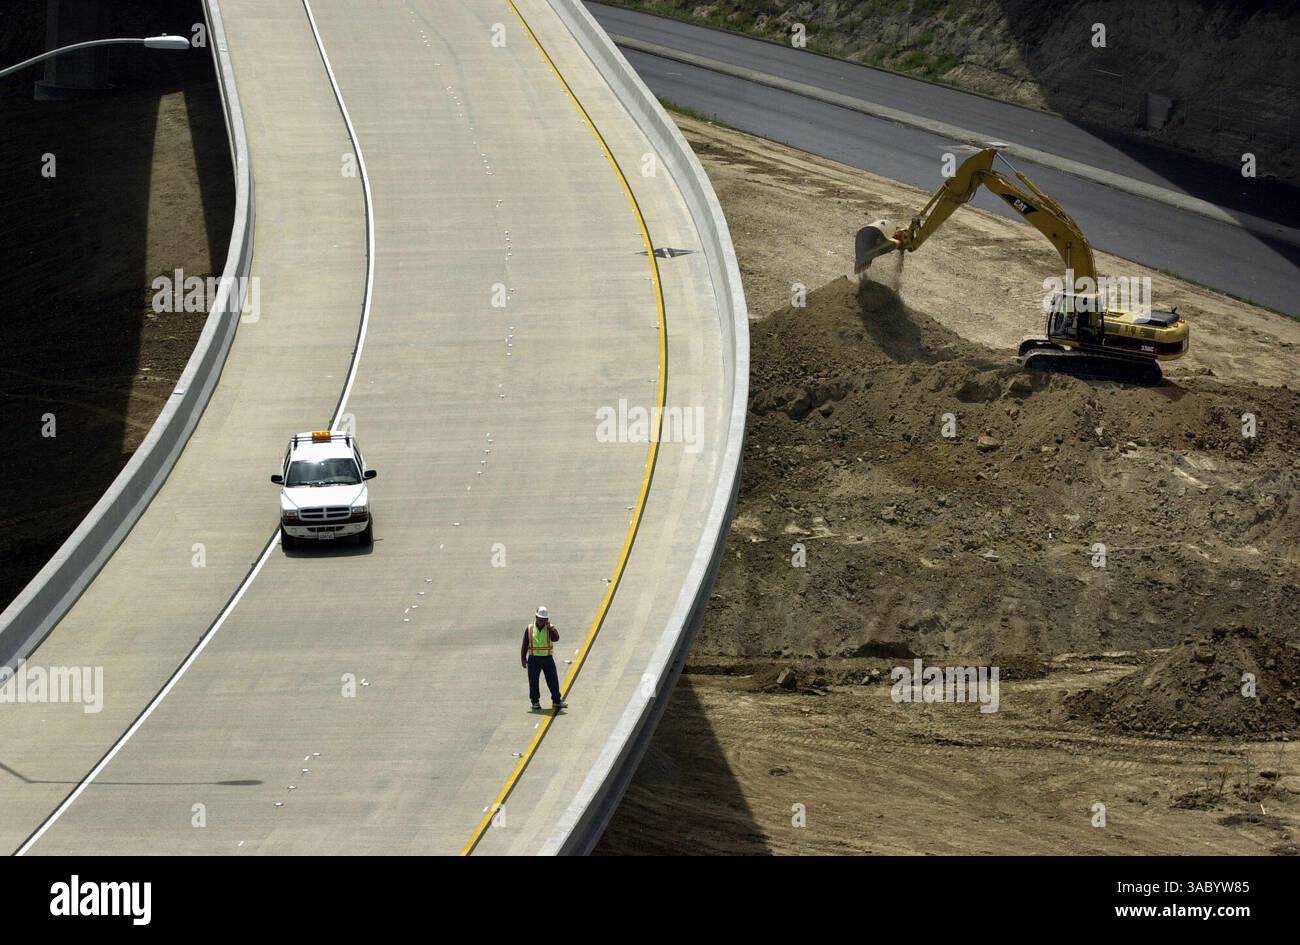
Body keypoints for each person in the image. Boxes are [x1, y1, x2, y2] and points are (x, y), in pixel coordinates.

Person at [521, 605, 566, 712]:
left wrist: (550, 627)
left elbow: (556, 638)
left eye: (544, 619)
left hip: (547, 658)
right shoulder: (530, 628)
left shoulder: (550, 628)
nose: (541, 621)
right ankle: (535, 702)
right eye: (540, 619)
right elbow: (525, 644)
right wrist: (523, 658)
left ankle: (556, 700)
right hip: (533, 659)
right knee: (533, 681)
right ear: (536, 617)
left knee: (553, 680)